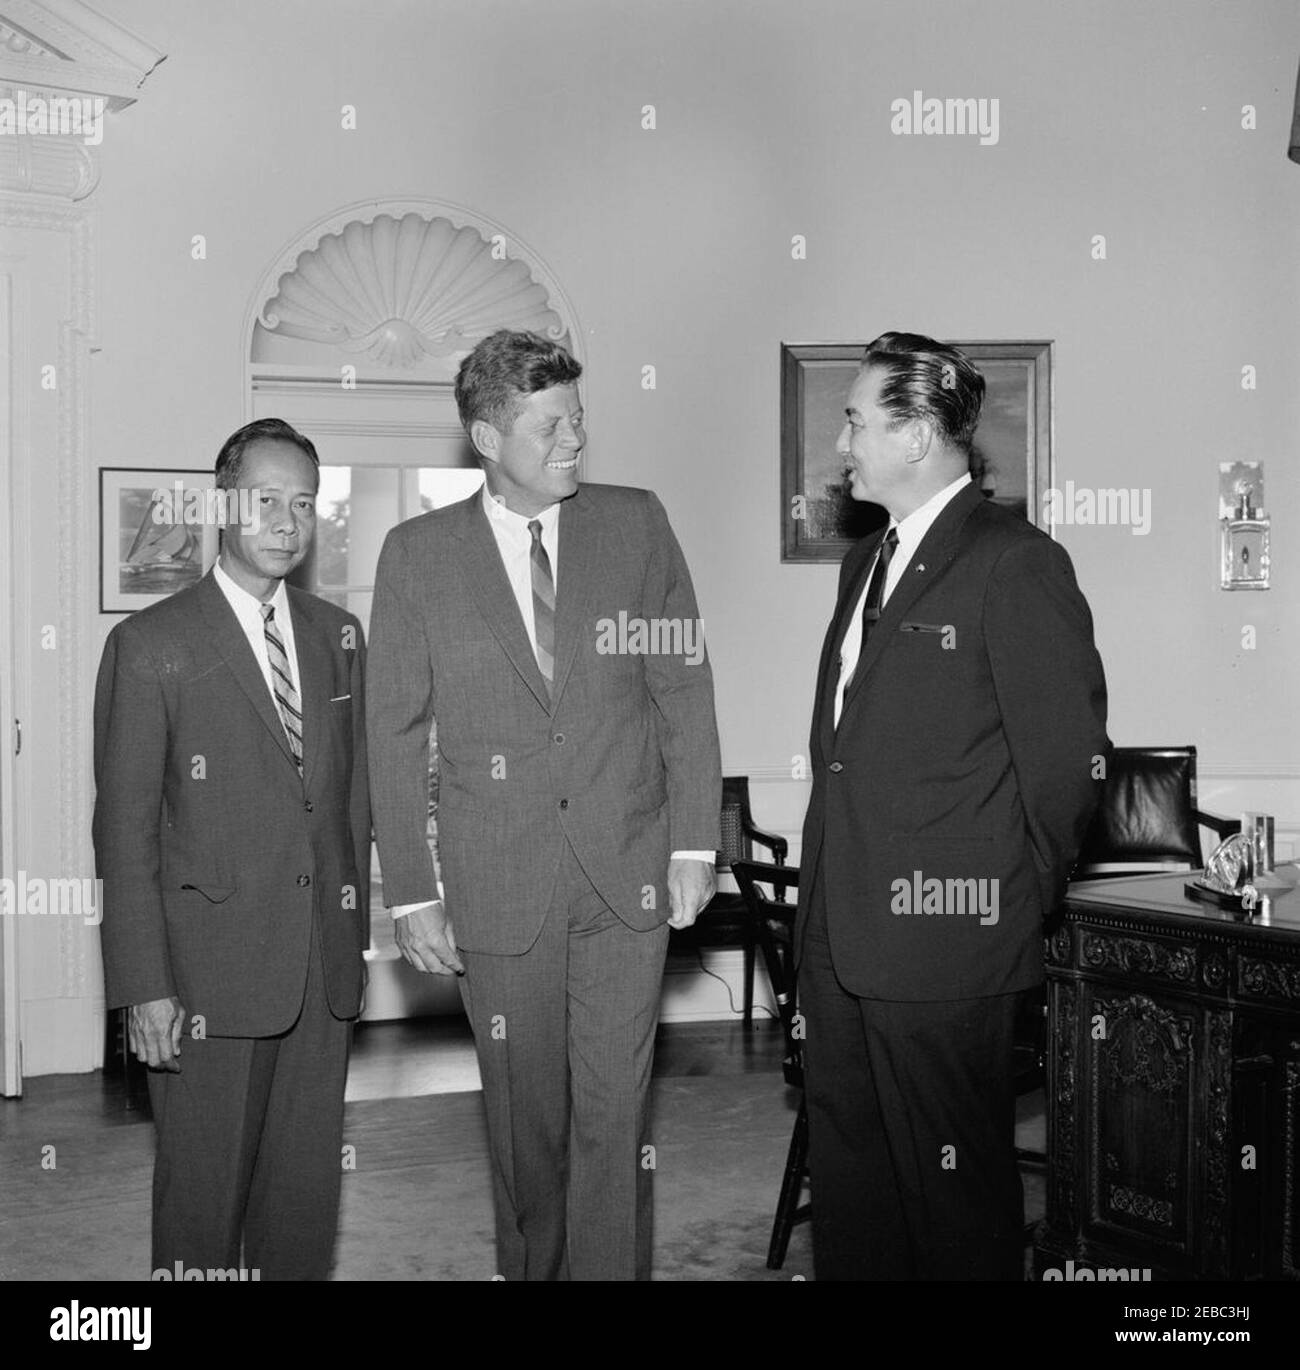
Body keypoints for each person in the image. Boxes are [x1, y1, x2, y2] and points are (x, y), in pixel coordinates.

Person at [366, 329, 721, 1281]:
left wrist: (694, 844)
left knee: (616, 1115)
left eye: (578, 416)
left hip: (625, 879)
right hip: (498, 888)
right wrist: (412, 893)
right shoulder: (418, 556)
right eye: (549, 424)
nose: (575, 438)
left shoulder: (635, 525)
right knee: (527, 1128)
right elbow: (392, 734)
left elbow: (680, 687)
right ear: (487, 438)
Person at [797, 331, 1109, 1280]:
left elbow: (1066, 766)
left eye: (855, 420)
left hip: (947, 940)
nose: (842, 444)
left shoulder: (1015, 562)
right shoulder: (866, 563)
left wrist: (1004, 904)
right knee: (855, 1185)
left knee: (954, 1198)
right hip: (839, 935)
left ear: (918, 432)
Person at [93, 418, 369, 1280]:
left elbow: (349, 803)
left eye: (304, 504)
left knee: (300, 1212)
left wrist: (354, 941)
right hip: (204, 986)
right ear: (222, 506)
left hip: (320, 978)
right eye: (266, 501)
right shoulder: (152, 645)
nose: (287, 523)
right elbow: (125, 831)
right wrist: (145, 989)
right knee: (201, 1212)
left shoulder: (337, 637)